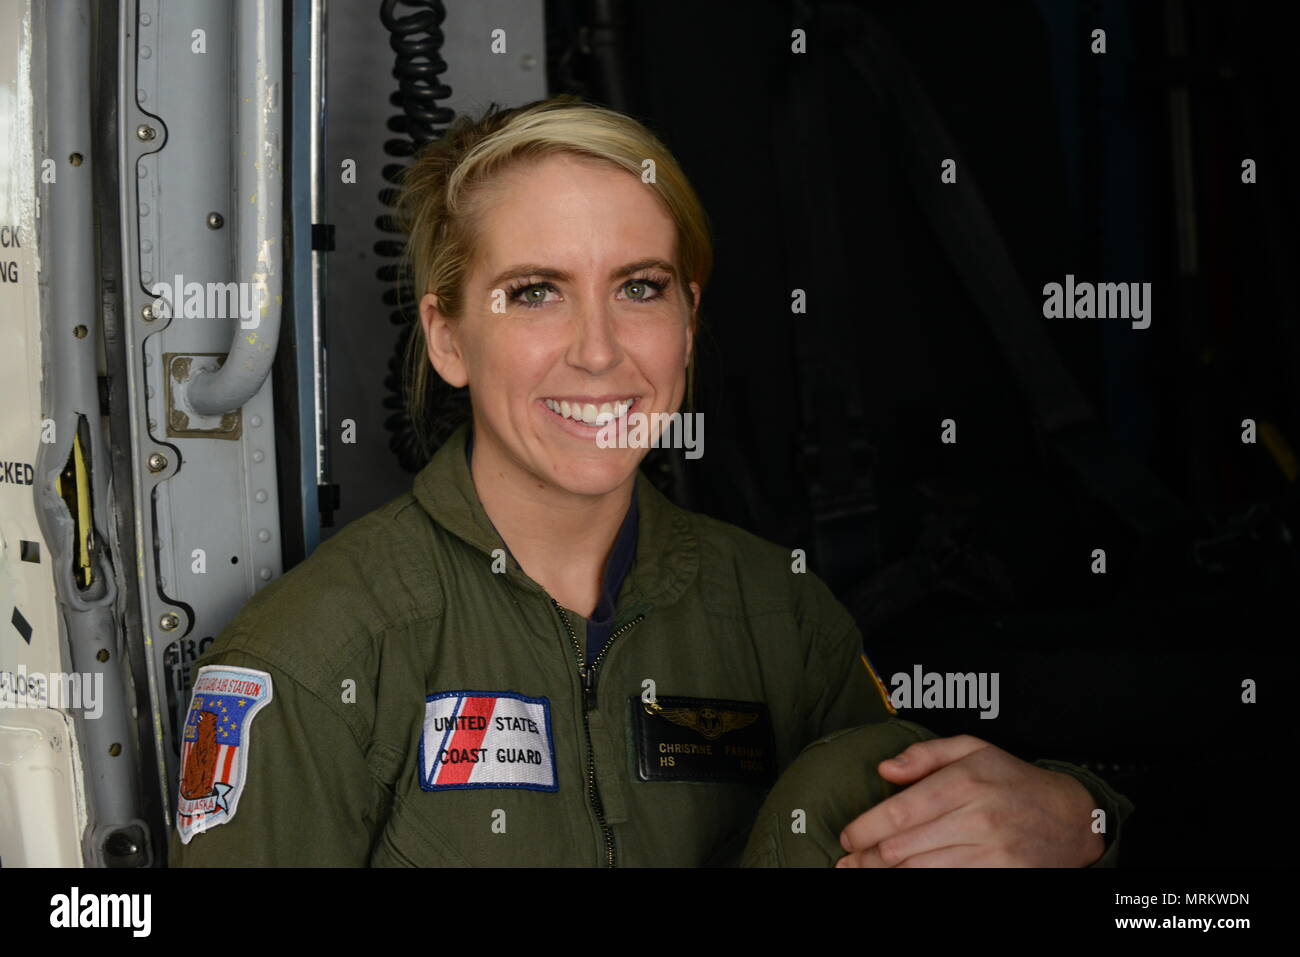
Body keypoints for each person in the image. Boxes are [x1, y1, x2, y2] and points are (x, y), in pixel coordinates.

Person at [168, 94, 1132, 867]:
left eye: (640, 287)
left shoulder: (778, 614)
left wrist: (1083, 818)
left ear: (688, 317)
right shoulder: (312, 656)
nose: (599, 352)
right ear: (448, 336)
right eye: (535, 292)